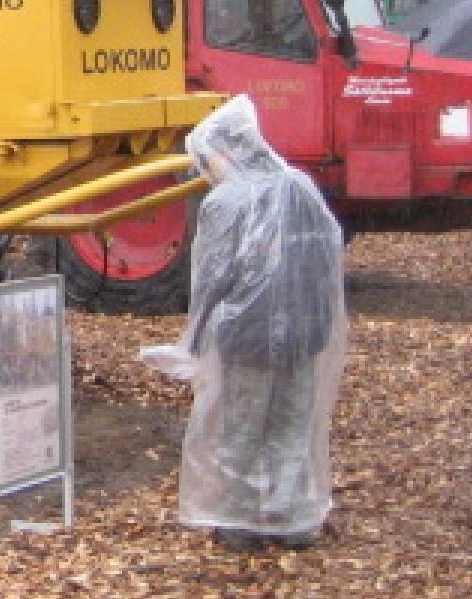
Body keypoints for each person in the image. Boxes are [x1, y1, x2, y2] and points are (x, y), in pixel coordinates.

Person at [141, 95, 348, 551]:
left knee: (241, 425)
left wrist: (191, 341)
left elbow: (214, 275)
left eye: (204, 161)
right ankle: (290, 518)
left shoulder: (228, 200)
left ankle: (240, 519)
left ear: (224, 151)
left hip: (249, 333)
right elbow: (327, 253)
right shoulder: (299, 185)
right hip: (306, 330)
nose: (203, 171)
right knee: (292, 420)